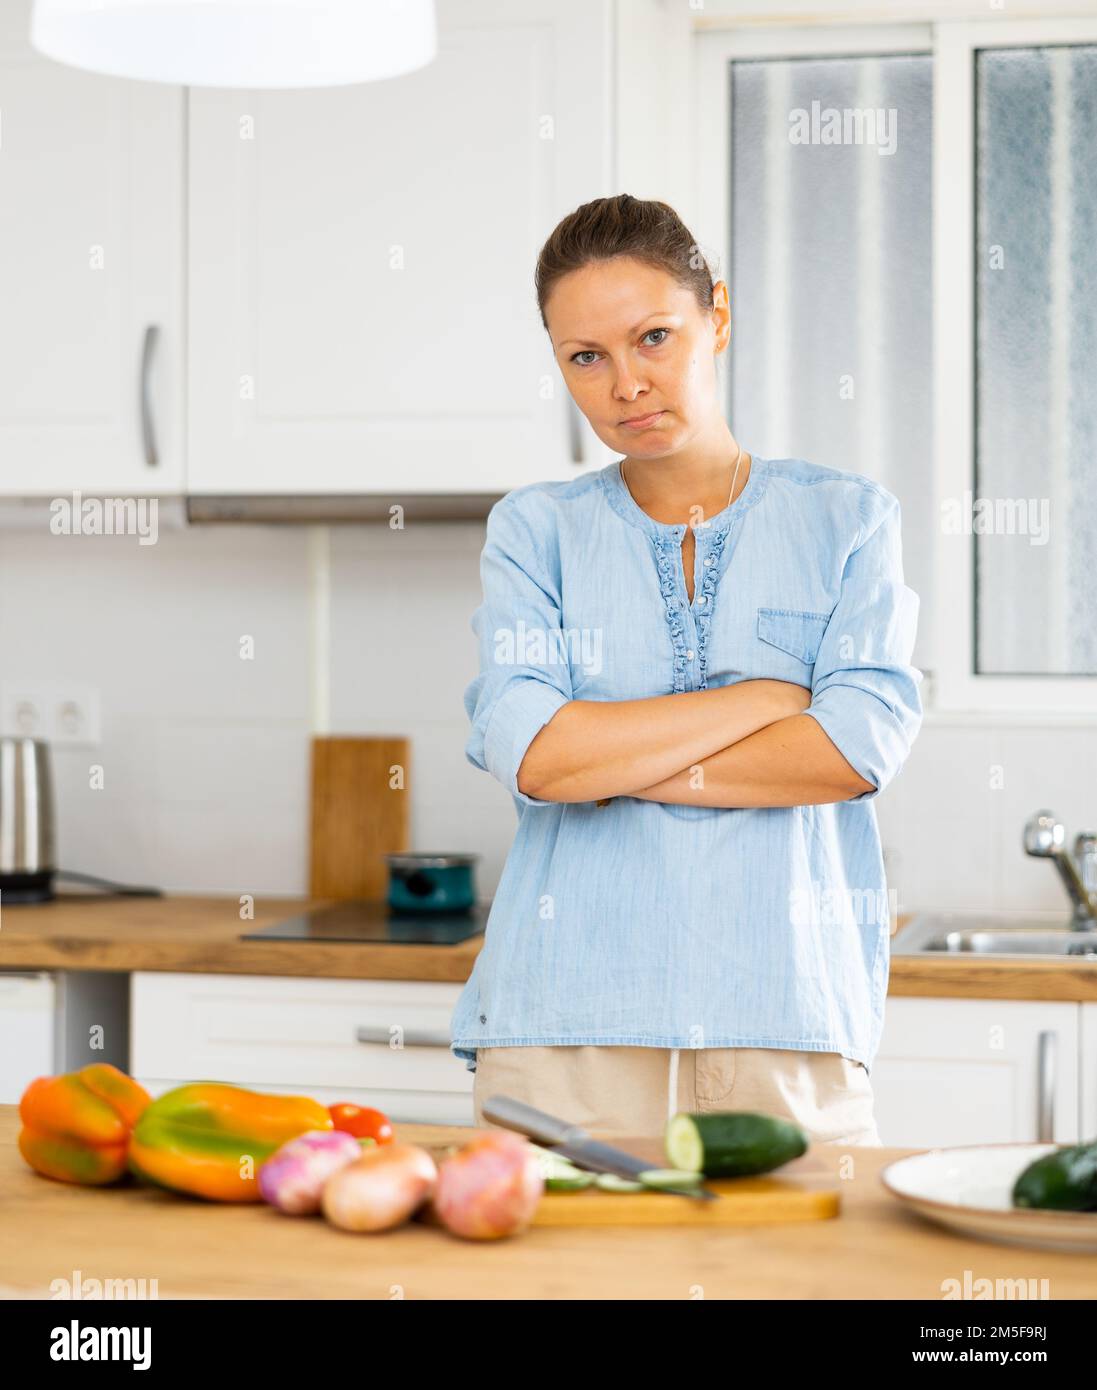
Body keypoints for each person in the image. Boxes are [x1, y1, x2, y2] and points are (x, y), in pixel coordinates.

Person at [451, 193, 923, 1145]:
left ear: (717, 317)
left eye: (653, 337)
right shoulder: (534, 531)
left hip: (787, 1021)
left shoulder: (847, 518)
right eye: (585, 357)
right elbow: (538, 761)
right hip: (562, 1028)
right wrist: (762, 699)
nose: (625, 384)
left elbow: (850, 754)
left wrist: (608, 764)